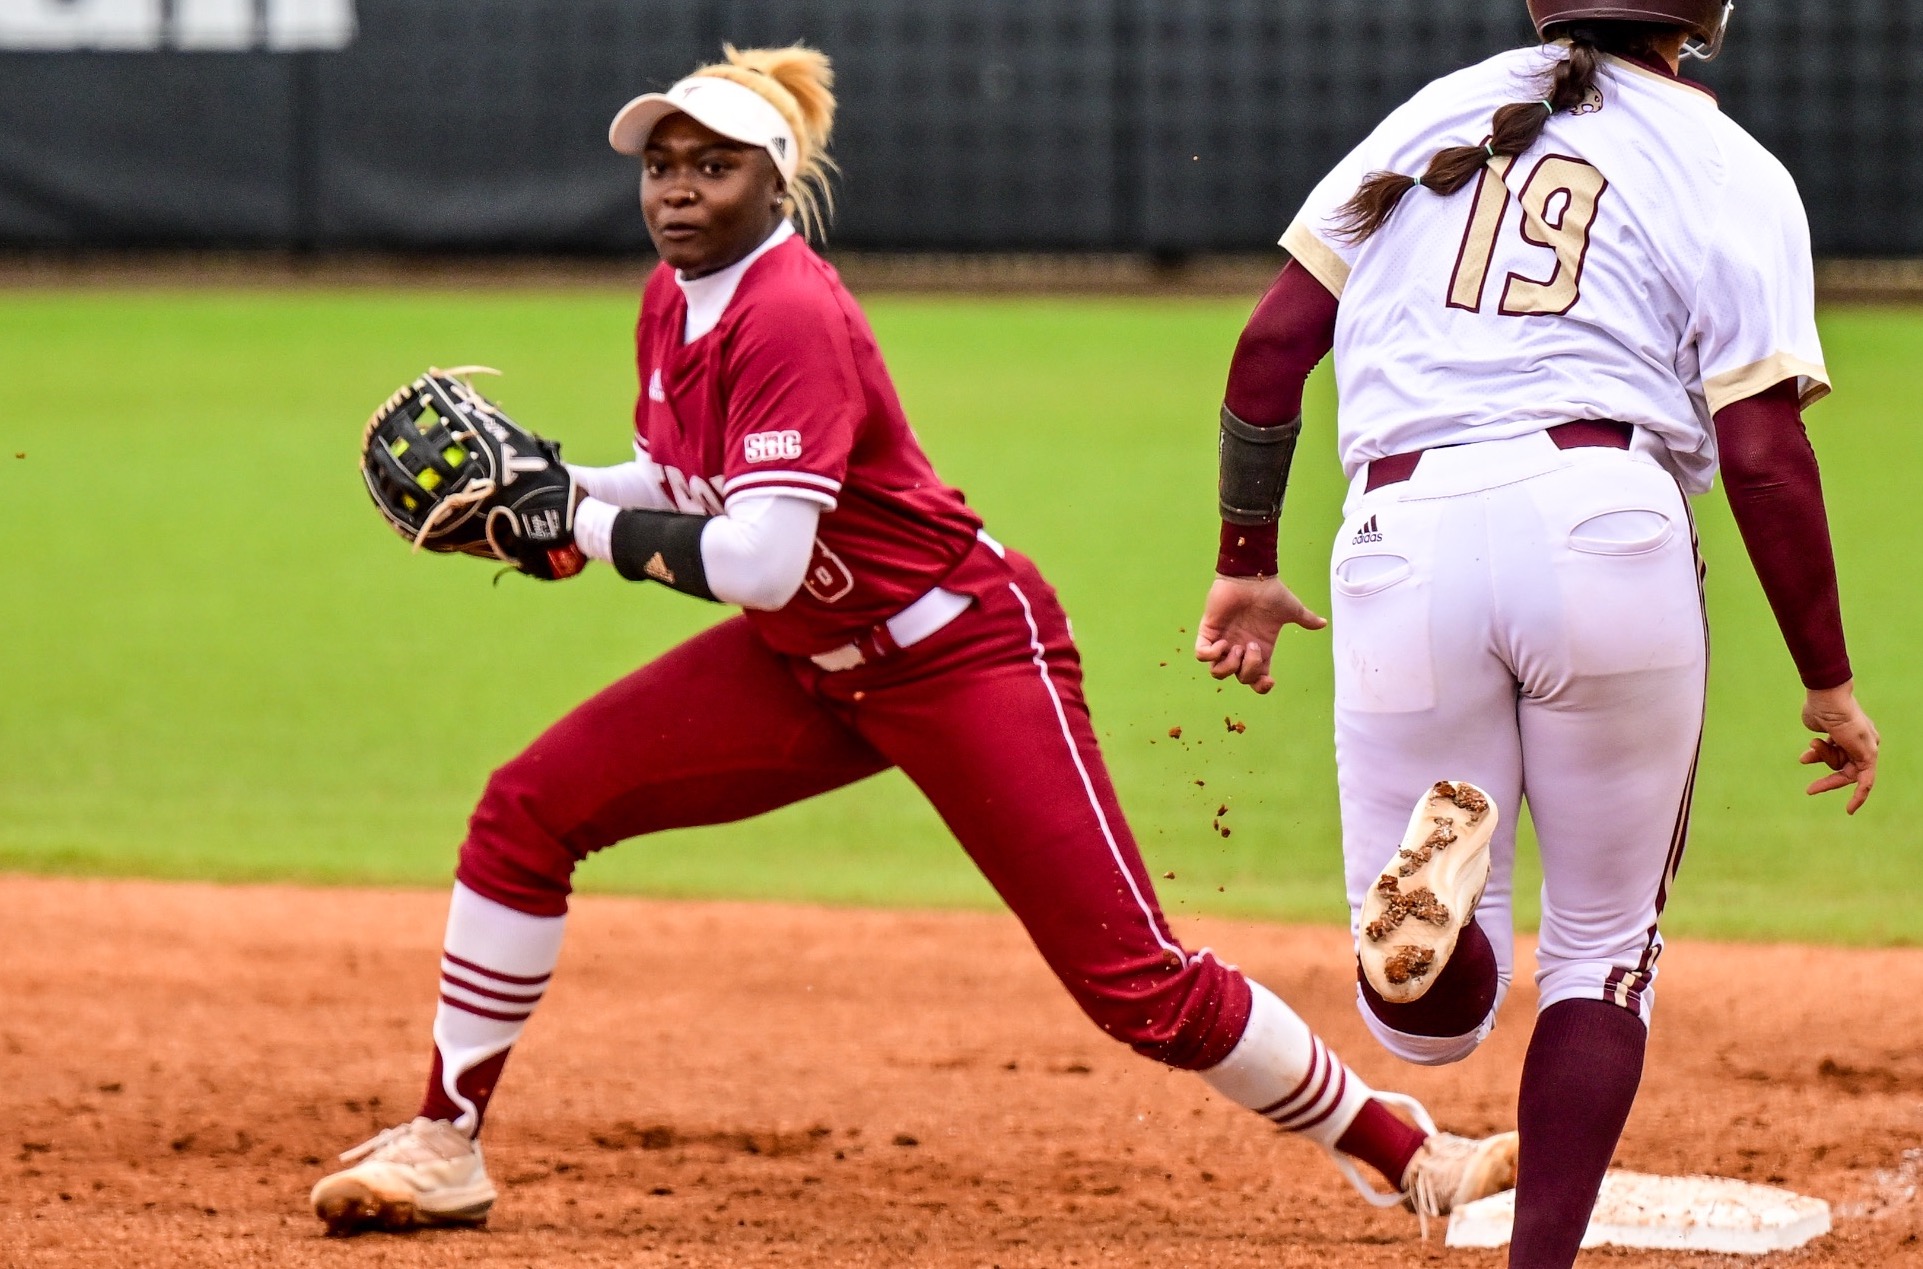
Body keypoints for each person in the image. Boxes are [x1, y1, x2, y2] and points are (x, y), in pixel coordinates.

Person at [309, 44, 1518, 1237]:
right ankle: (445, 1142)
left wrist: (573, 518)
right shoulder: (675, 297)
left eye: (712, 167)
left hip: (962, 657)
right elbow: (686, 480)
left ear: (774, 186)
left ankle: (1409, 1154)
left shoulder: (788, 313)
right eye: (661, 164)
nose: (676, 188)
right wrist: (561, 491)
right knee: (528, 810)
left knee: (1137, 988)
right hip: (806, 664)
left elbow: (760, 557)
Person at [1194, 3, 1880, 1266]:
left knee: (1426, 1035)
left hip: (1399, 531)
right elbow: (1766, 458)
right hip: (1604, 524)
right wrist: (1829, 687)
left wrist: (1245, 565)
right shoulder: (1734, 169)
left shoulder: (1431, 113)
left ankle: (1439, 940)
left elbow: (1270, 348)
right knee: (1606, 950)